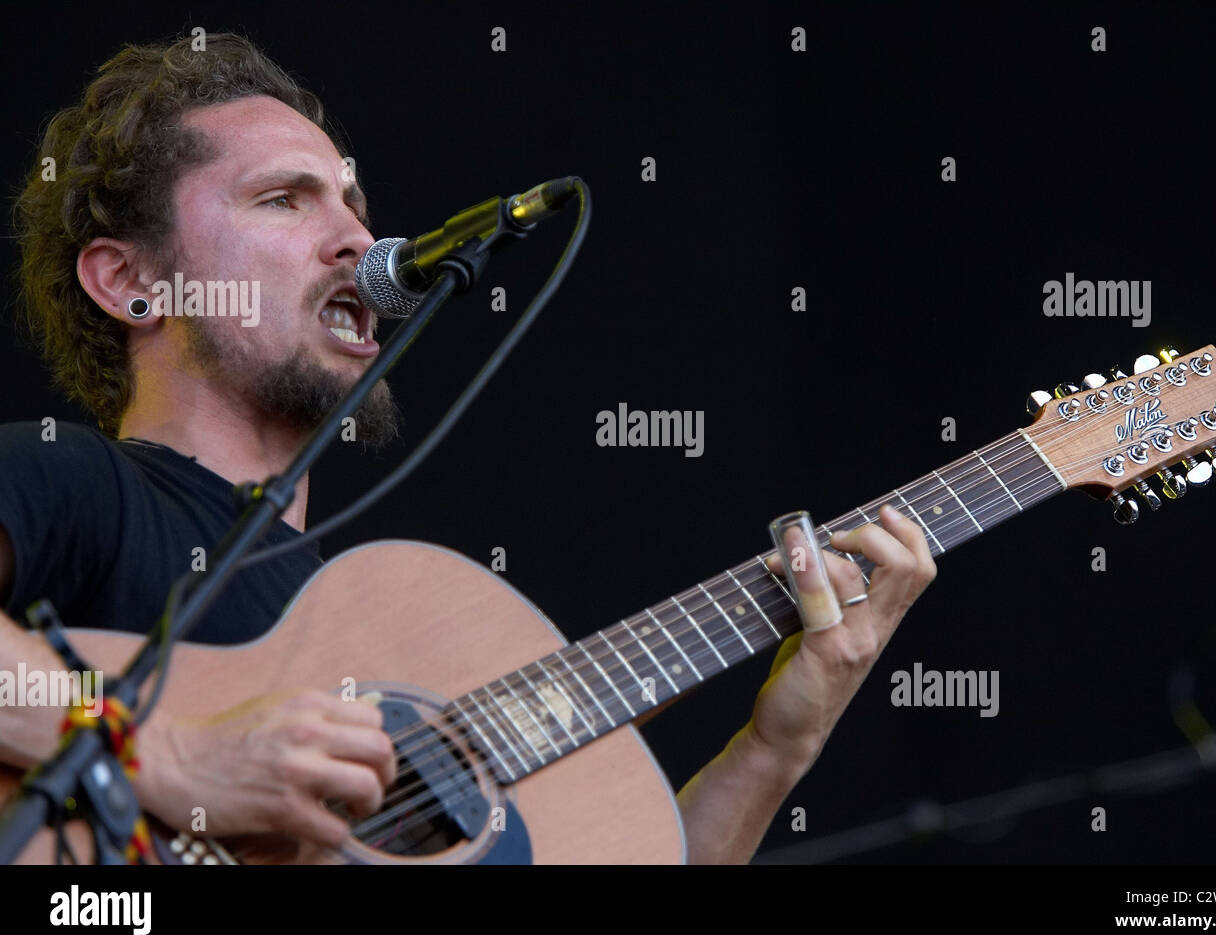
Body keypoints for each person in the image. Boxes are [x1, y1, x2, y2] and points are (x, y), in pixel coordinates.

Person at [0, 33, 936, 863]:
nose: (360, 239)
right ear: (129, 281)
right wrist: (168, 757)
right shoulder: (75, 482)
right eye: (284, 200)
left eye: (354, 203)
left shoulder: (382, 633)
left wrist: (774, 752)